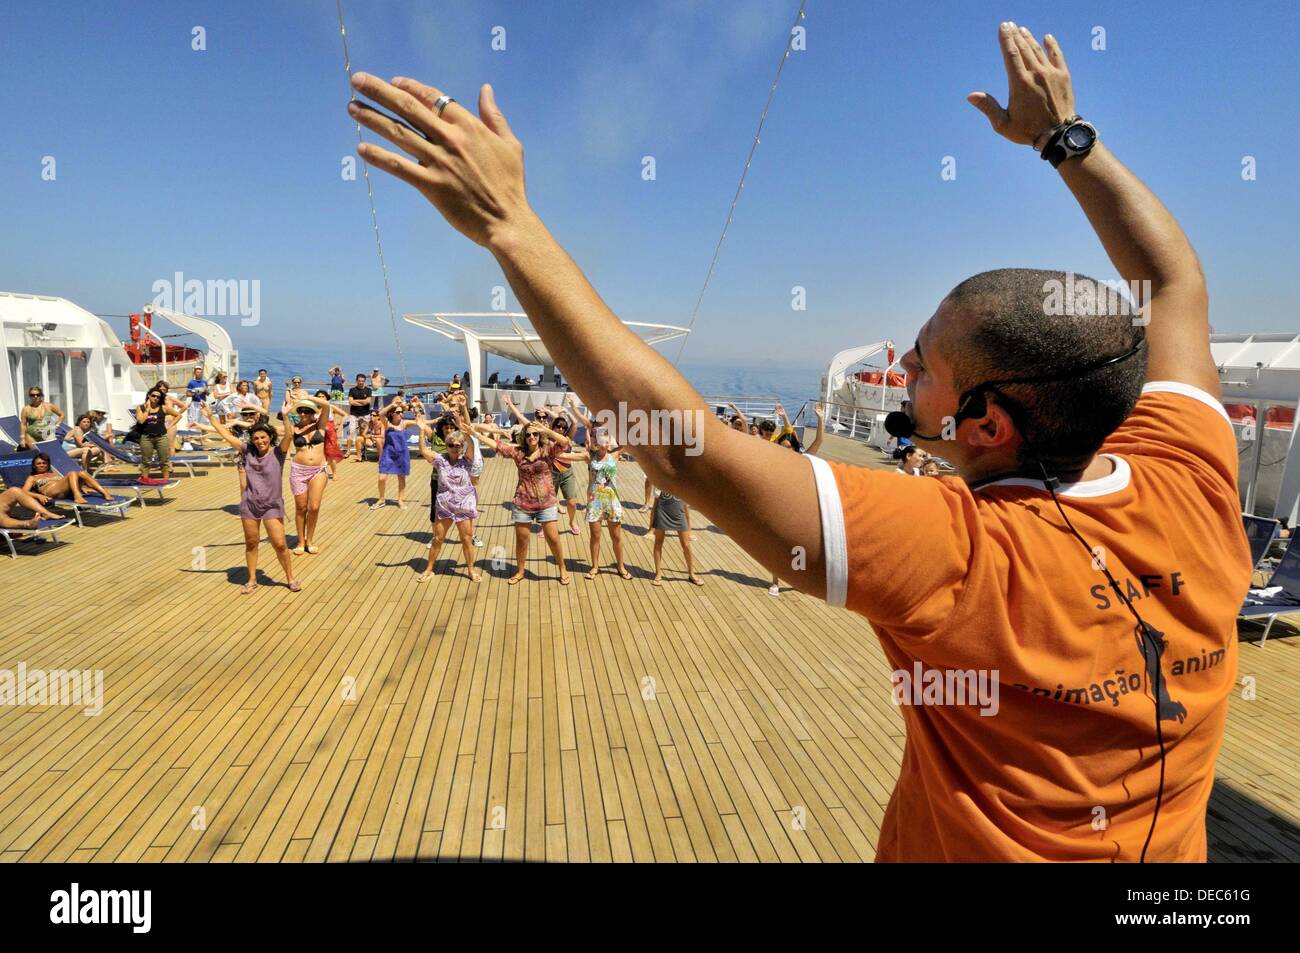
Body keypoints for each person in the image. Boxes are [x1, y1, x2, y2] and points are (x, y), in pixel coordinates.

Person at [349, 24, 1249, 861]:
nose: (900, 360)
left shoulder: (961, 551)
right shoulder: (1193, 477)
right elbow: (1171, 281)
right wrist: (1067, 138)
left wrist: (509, 222)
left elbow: (679, 449)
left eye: (924, 362)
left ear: (986, 423)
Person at [205, 406, 300, 593]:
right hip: (250, 504)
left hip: (271, 505)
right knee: (251, 542)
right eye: (256, 438)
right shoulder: (247, 450)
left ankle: (290, 578)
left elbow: (289, 436)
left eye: (263, 437)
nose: (259, 441)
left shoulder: (278, 453)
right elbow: (225, 435)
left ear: (270, 437)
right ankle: (252, 579)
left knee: (280, 544)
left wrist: (286, 416)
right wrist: (210, 417)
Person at [475, 416, 571, 585]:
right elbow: (497, 446)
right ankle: (520, 571)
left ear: (539, 436)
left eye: (535, 434)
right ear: (524, 437)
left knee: (553, 539)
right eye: (528, 435)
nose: (532, 437)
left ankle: (562, 567)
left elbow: (565, 442)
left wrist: (546, 430)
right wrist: (475, 434)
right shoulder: (518, 452)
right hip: (523, 503)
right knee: (522, 540)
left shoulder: (548, 451)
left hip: (546, 503)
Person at [417, 409, 480, 582]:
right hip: (445, 507)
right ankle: (429, 568)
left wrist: (464, 432)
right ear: (447, 445)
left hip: (463, 506)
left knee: (466, 539)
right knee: (438, 538)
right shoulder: (440, 460)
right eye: (451, 445)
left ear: (462, 447)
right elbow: (424, 451)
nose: (454, 448)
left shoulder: (466, 460)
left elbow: (472, 446)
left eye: (458, 445)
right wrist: (422, 431)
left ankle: (471, 570)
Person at [284, 394, 332, 554]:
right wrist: (285, 414)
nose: (304, 414)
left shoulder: (320, 426)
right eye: (301, 411)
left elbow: (326, 405)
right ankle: (300, 541)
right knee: (301, 508)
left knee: (314, 506)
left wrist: (307, 397)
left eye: (307, 411)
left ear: (313, 413)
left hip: (318, 470)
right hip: (299, 470)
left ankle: (309, 540)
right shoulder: (294, 427)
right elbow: (285, 435)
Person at [650, 487, 704, 587]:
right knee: (658, 542)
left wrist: (689, 528)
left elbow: (686, 505)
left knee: (686, 545)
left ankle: (691, 573)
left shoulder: (680, 479)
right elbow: (655, 502)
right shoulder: (658, 479)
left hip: (679, 512)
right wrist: (651, 527)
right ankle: (658, 574)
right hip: (662, 511)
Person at [22, 451, 112, 505]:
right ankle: (77, 496)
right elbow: (24, 492)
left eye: (44, 463)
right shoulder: (32, 477)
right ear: (34, 466)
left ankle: (104, 492)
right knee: (72, 473)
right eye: (39, 463)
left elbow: (67, 482)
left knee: (82, 473)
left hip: (65, 491)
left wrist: (82, 488)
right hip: (51, 492)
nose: (42, 465)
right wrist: (38, 495)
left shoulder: (53, 473)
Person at [371, 404, 416, 509]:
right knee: (382, 478)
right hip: (388, 454)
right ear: (392, 414)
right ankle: (381, 499)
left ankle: (400, 500)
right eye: (398, 412)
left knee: (401, 477)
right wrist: (392, 404)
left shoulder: (404, 423)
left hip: (402, 454)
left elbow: (420, 423)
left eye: (402, 412)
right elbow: (381, 414)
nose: (401, 414)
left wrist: (436, 419)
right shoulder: (387, 424)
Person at [135, 387, 181, 481]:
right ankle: (145, 481)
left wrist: (169, 426)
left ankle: (166, 481)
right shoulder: (141, 408)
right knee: (146, 462)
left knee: (164, 461)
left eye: (158, 397)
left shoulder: (163, 408)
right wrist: (147, 409)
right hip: (146, 438)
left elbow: (178, 415)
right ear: (149, 396)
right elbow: (141, 421)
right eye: (153, 396)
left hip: (161, 437)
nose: (156, 398)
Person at [313, 389, 348, 479]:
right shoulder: (314, 408)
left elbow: (345, 415)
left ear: (326, 398)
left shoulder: (331, 407)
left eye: (322, 396)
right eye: (319, 396)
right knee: (319, 453)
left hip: (330, 434)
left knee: (331, 453)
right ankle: (319, 472)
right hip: (318, 433)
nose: (321, 398)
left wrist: (339, 424)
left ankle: (334, 473)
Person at [346, 373, 372, 460]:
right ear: (356, 381)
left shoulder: (368, 390)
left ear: (364, 381)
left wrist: (356, 401)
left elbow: (368, 401)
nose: (361, 382)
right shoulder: (352, 390)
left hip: (365, 414)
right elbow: (351, 402)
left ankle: (362, 452)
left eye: (362, 381)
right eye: (359, 381)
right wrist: (362, 402)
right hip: (354, 414)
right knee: (351, 432)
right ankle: (348, 451)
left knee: (363, 434)